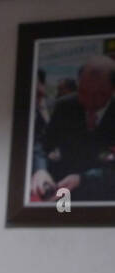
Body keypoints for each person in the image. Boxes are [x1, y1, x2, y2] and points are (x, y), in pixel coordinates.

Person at [31, 54, 115, 202]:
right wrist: (40, 169)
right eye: (83, 92)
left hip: (106, 199)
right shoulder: (66, 106)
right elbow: (42, 144)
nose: (88, 101)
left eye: (97, 95)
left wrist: (83, 179)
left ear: (111, 90)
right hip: (64, 196)